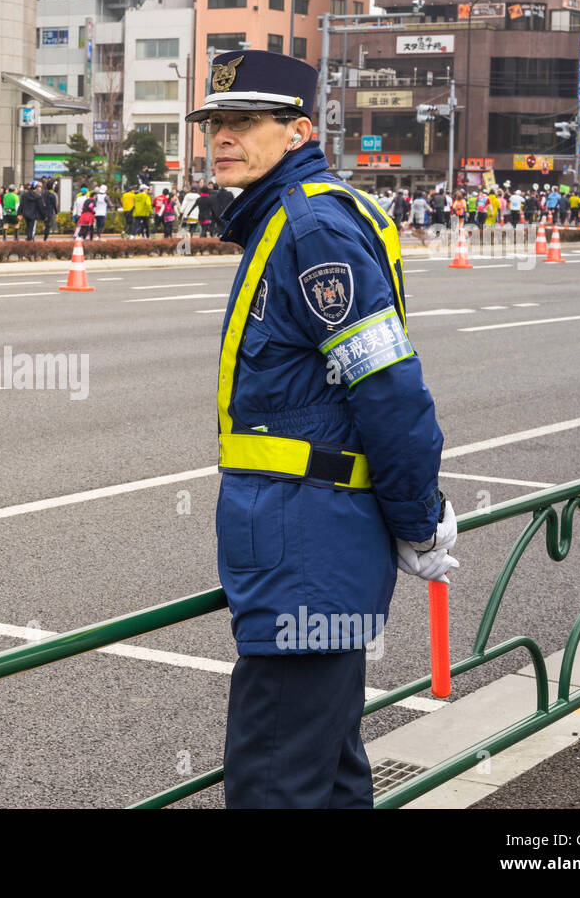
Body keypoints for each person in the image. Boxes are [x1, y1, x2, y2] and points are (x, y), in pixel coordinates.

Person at [186, 49, 454, 809]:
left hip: (303, 550)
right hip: (315, 552)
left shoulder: (307, 228)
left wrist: (420, 520)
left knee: (276, 783)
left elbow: (387, 386)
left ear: (299, 130)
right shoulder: (299, 215)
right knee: (329, 778)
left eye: (243, 123)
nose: (222, 138)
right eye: (215, 124)